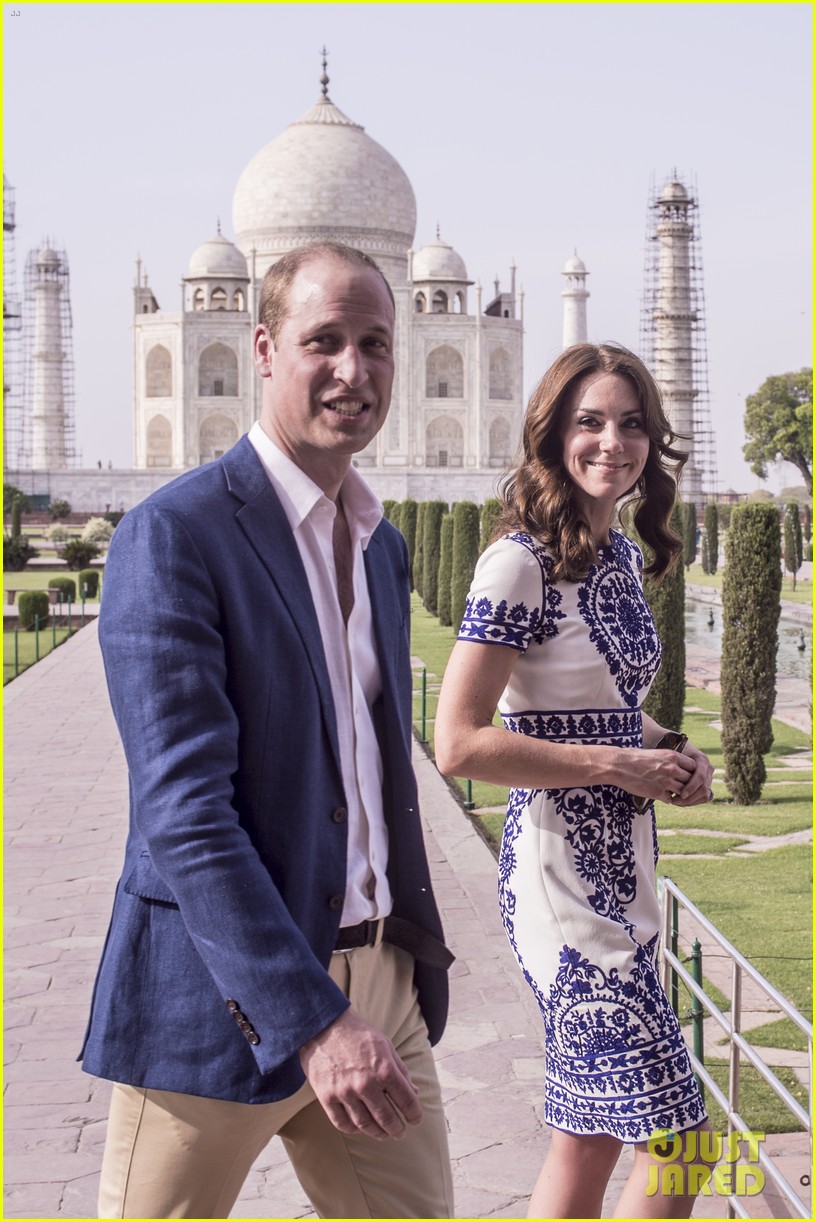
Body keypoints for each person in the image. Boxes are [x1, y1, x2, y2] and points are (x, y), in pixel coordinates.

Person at [80, 241, 454, 1219]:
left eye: (375, 343)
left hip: (375, 977)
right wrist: (309, 1020)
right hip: (223, 993)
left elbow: (377, 776)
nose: (352, 368)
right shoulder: (178, 533)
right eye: (323, 340)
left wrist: (398, 968)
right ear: (261, 347)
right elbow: (184, 813)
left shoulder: (379, 546)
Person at [435, 342, 715, 1219]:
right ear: (552, 433)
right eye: (589, 421)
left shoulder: (620, 559)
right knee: (685, 1142)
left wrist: (669, 744)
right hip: (561, 881)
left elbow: (604, 707)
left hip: (625, 871)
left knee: (587, 1137)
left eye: (632, 424)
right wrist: (616, 765)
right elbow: (459, 743)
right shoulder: (519, 562)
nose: (613, 442)